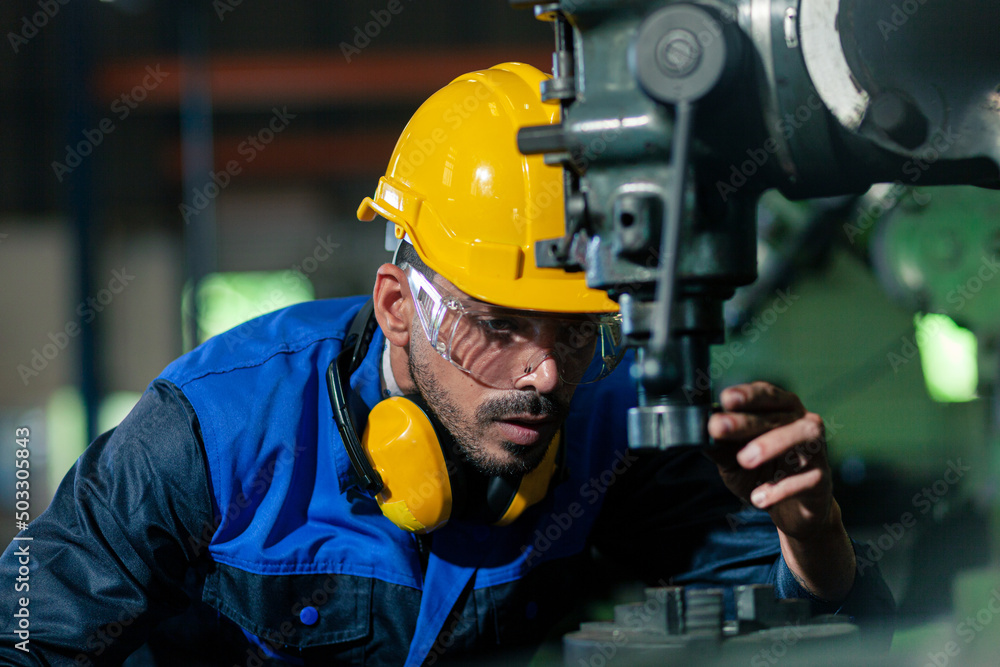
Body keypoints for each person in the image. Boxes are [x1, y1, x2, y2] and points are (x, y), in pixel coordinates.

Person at [0, 63, 893, 666]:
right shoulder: (217, 430)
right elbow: (27, 629)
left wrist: (812, 532)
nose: (545, 374)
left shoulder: (611, 427)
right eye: (498, 325)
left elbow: (837, 627)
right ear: (397, 305)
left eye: (577, 331)